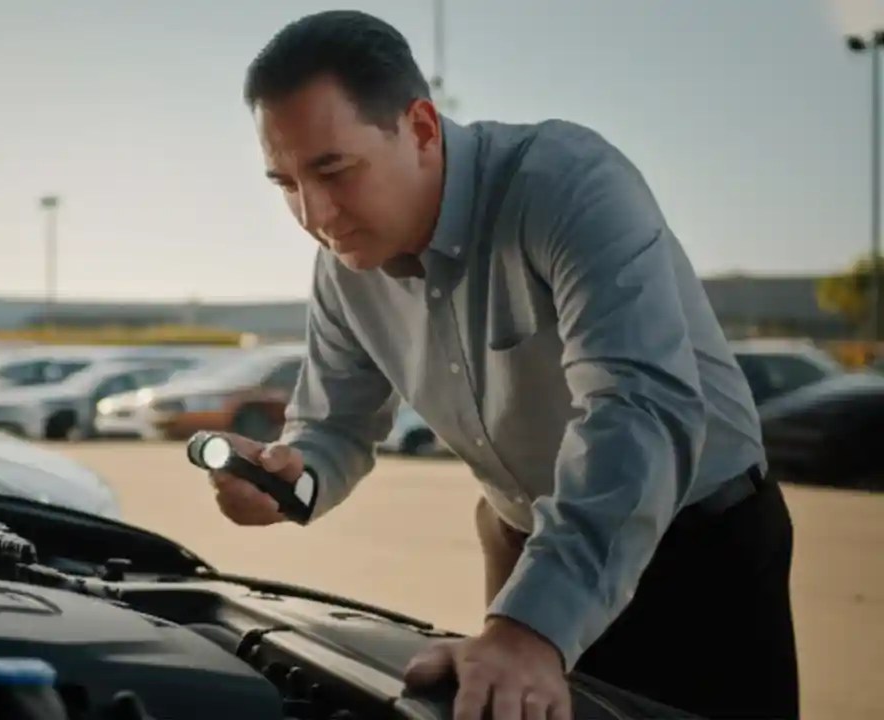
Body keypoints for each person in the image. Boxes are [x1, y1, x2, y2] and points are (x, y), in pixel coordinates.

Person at [205, 9, 800, 720]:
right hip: (528, 555)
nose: (315, 215)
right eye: (286, 182)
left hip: (697, 552)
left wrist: (531, 628)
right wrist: (290, 478)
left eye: (333, 169)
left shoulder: (568, 184)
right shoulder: (343, 265)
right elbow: (333, 427)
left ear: (421, 128)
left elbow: (640, 405)